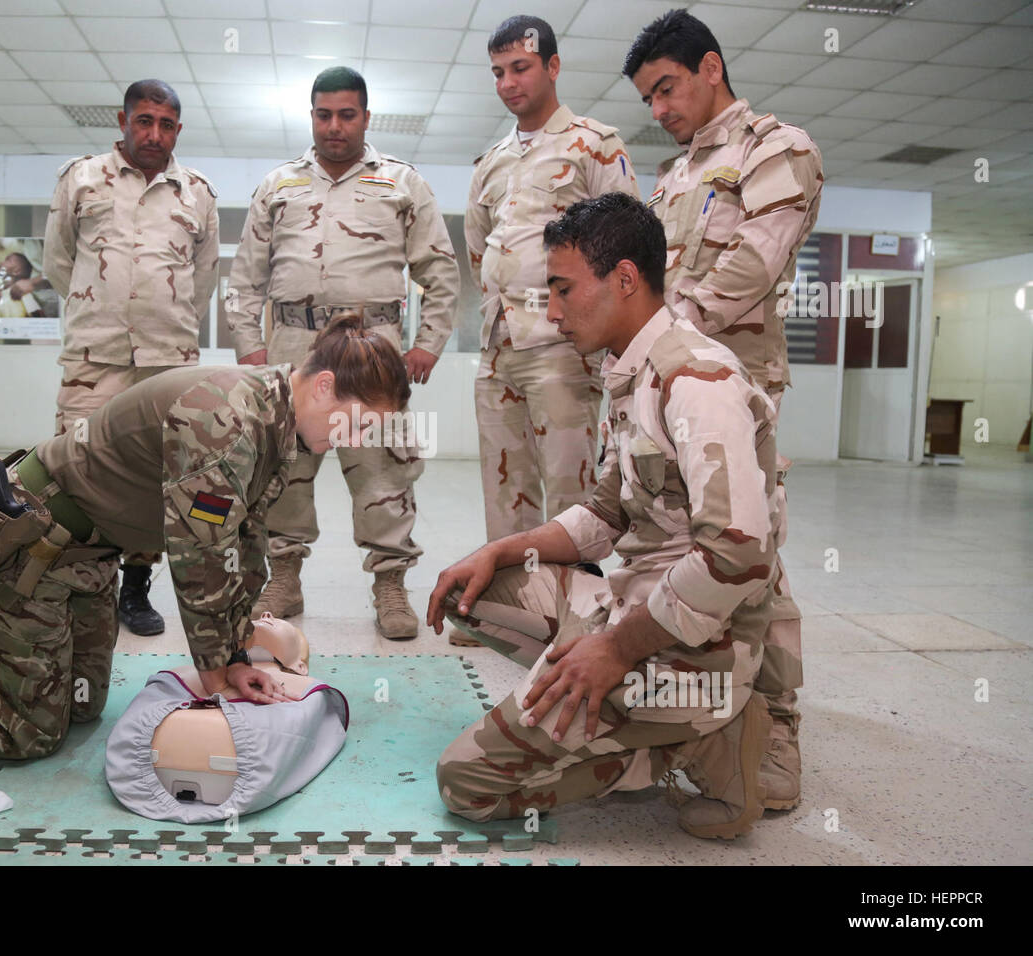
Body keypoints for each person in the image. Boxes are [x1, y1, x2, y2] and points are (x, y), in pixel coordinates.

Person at [0, 315, 412, 761]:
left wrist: (240, 647)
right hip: (23, 545)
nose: (358, 440)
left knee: (80, 706)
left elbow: (241, 549)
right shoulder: (229, 418)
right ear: (325, 386)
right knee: (23, 732)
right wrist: (222, 671)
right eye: (360, 423)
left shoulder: (278, 429)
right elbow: (198, 557)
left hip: (84, 555)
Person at [428, 194, 782, 840]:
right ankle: (613, 697)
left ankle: (685, 747)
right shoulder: (632, 373)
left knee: (466, 785)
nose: (553, 312)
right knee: (468, 593)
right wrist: (500, 552)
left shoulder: (695, 381)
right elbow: (604, 515)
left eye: (563, 290)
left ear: (623, 280)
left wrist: (614, 650)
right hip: (635, 612)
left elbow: (738, 552)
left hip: (694, 652)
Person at [624, 8, 825, 811]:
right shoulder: (672, 177)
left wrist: (665, 339)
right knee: (677, 545)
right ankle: (709, 709)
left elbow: (755, 263)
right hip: (667, 394)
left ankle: (777, 728)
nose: (659, 109)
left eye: (666, 88)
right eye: (647, 98)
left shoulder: (778, 148)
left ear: (711, 67)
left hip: (737, 390)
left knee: (755, 553)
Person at [224, 66, 459, 640]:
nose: (335, 126)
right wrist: (251, 347)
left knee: (383, 470)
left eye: (347, 114)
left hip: (373, 351)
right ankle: (284, 576)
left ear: (366, 118)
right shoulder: (278, 185)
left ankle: (389, 585)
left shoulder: (401, 182)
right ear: (311, 116)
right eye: (324, 114)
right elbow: (245, 278)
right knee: (282, 467)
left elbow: (440, 269)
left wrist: (427, 342)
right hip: (292, 350)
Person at [43, 78, 220, 638]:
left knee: (155, 473)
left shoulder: (197, 193)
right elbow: (58, 263)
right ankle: (79, 583)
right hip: (95, 357)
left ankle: (135, 588)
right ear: (123, 121)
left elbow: (204, 280)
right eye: (144, 121)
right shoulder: (82, 179)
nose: (154, 134)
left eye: (166, 124)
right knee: (73, 466)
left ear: (178, 130)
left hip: (167, 362)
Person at [466, 15, 641, 557]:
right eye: (498, 72)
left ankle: (571, 613)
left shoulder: (595, 145)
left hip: (564, 347)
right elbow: (479, 250)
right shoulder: (492, 162)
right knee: (504, 489)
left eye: (520, 67)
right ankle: (511, 612)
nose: (508, 83)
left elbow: (628, 248)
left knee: (570, 490)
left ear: (553, 66)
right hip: (499, 349)